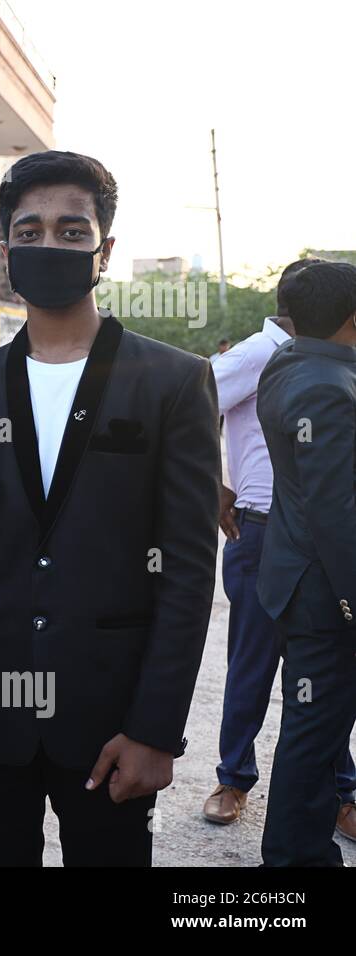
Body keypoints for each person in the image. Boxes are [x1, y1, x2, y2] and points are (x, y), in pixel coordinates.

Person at [0, 150, 221, 866]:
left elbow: (187, 571)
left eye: (70, 231)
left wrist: (156, 729)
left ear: (104, 250)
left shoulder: (173, 381)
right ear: (6, 248)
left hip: (110, 719)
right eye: (30, 230)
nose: (48, 245)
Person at [203, 259, 356, 839]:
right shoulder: (257, 355)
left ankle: (339, 792)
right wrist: (210, 482)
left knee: (319, 680)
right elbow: (187, 403)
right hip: (262, 528)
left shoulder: (310, 357)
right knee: (253, 661)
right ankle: (234, 778)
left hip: (301, 532)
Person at [256, 260, 356, 866]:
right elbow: (335, 513)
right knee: (313, 731)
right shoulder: (324, 383)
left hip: (305, 583)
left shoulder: (290, 362)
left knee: (315, 728)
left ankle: (308, 850)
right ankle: (293, 862)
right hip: (325, 594)